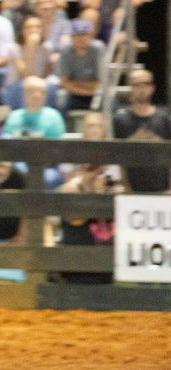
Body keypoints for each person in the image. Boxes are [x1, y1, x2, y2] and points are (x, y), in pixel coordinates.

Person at [56, 111, 123, 284]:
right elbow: (68, 187)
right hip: (80, 204)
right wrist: (87, 184)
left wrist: (100, 190)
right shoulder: (73, 154)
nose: (94, 130)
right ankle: (75, 272)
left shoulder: (115, 157)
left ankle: (101, 273)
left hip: (105, 212)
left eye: (98, 126)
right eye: (90, 126)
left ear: (104, 129)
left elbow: (119, 187)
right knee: (74, 208)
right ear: (83, 130)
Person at [112, 68, 171, 193]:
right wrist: (124, 185)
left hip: (161, 187)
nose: (141, 89)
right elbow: (119, 156)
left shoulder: (164, 118)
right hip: (133, 188)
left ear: (152, 88)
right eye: (137, 84)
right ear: (131, 89)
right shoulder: (120, 120)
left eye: (145, 84)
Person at [54, 19, 105, 116]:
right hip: (75, 94)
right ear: (71, 37)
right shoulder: (66, 50)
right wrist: (86, 89)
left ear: (90, 35)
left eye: (83, 34)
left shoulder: (98, 49)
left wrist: (76, 84)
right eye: (76, 35)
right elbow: (64, 83)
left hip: (97, 94)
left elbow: (102, 83)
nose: (80, 39)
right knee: (61, 104)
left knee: (111, 103)